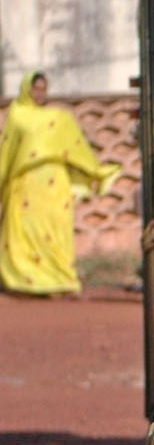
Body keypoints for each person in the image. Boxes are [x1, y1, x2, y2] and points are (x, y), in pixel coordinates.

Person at [0, 73, 120, 296]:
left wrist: (95, 171)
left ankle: (60, 280)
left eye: (43, 89)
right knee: (27, 231)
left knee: (56, 230)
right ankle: (28, 282)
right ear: (26, 89)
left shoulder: (59, 119)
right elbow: (7, 152)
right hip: (26, 186)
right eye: (36, 88)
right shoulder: (17, 115)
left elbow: (77, 148)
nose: (40, 93)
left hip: (56, 185)